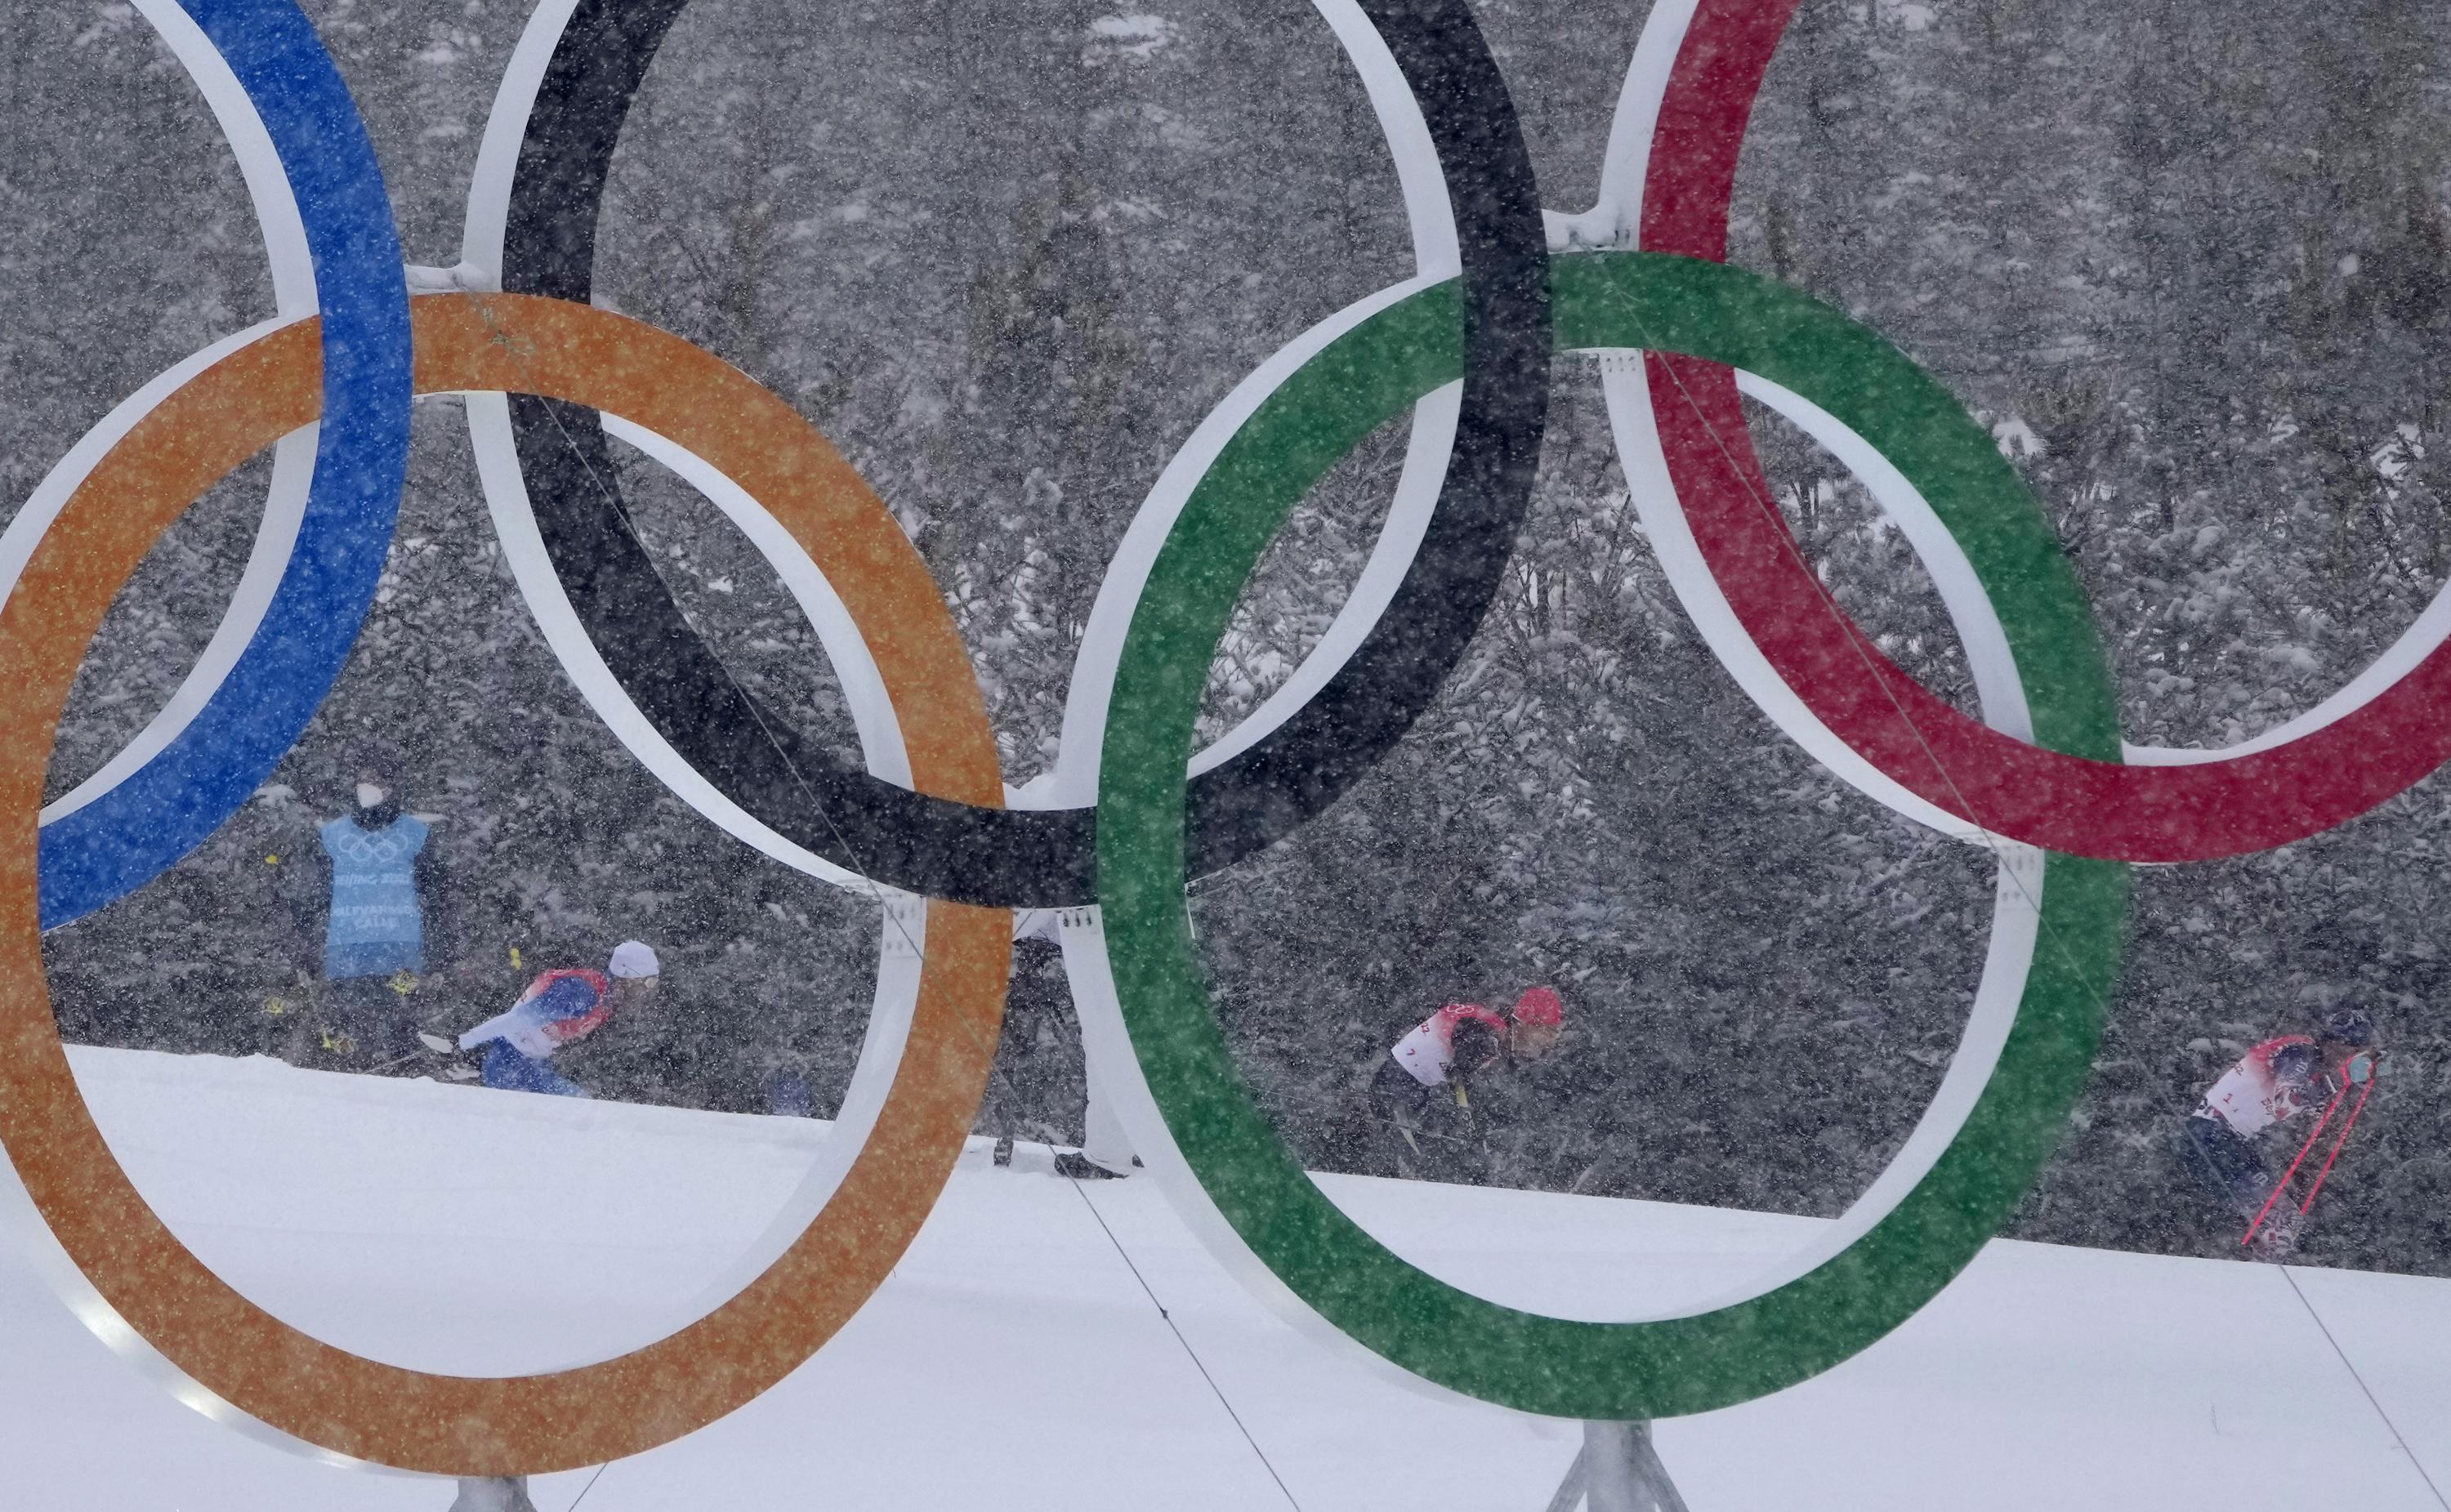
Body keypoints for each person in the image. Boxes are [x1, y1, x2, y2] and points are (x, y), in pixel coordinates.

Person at [291, 746, 453, 1068]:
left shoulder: (416, 834)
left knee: (402, 1047)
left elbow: (438, 899)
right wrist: (306, 952)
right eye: (362, 779)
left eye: (378, 780)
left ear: (394, 785)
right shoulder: (332, 836)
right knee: (343, 1048)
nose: (369, 787)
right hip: (345, 955)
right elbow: (310, 900)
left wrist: (441, 953)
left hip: (403, 954)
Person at [2175, 1006, 2380, 1258]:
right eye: (2351, 1052)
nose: (2349, 1059)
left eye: (2358, 1054)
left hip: (2217, 1138)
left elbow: (2310, 1104)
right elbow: (2286, 1102)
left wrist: (2375, 1067)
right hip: (2213, 1137)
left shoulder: (2310, 1066)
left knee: (2270, 1217)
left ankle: (2241, 1266)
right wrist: (2342, 1078)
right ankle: (2255, 1275)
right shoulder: (2301, 1054)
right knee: (2281, 1217)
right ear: (2335, 1043)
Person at [1368, 987, 1565, 1176]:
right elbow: (1458, 1078)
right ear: (1526, 1024)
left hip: (1404, 1085)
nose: (1552, 1041)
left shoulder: (1490, 1025)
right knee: (1421, 1174)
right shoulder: (1487, 1038)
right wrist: (1470, 1129)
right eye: (1549, 1032)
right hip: (1399, 1093)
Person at [452, 941, 661, 1098]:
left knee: (582, 1106)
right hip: (508, 1063)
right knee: (574, 1113)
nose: (647, 991)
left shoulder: (604, 1001)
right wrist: (463, 1044)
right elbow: (514, 1021)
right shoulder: (581, 993)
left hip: (531, 1064)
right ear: (625, 976)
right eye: (646, 982)